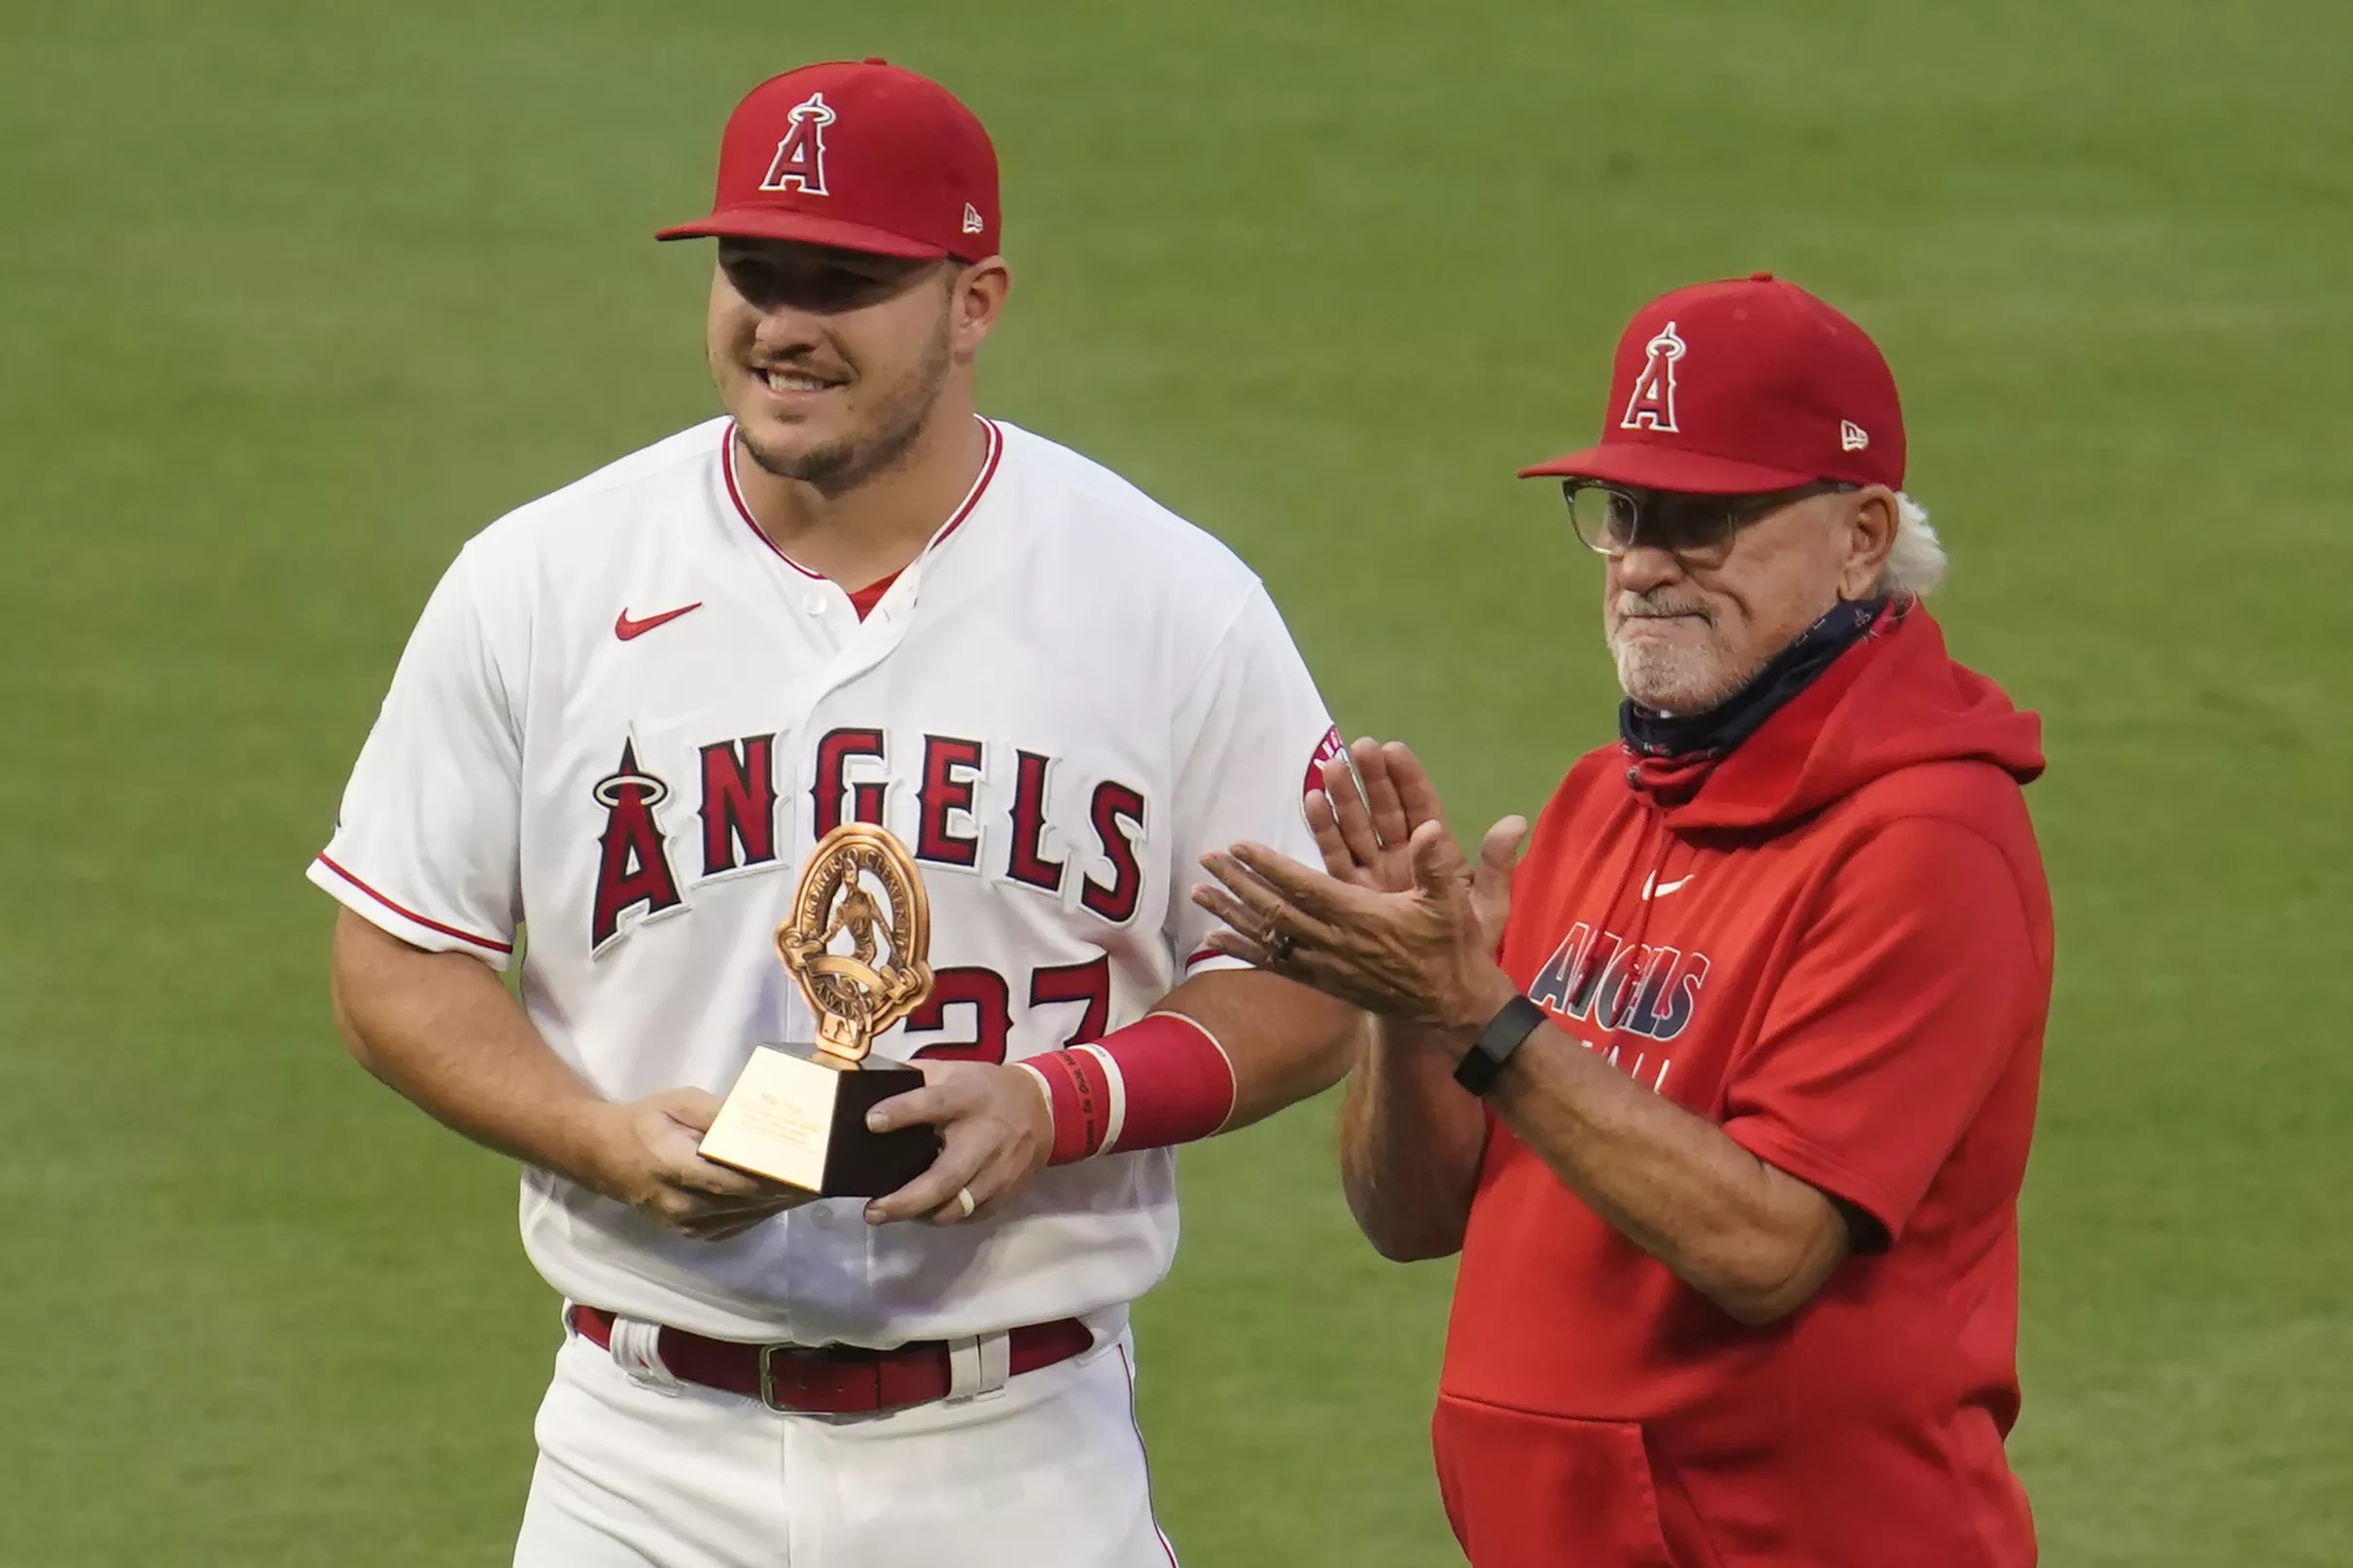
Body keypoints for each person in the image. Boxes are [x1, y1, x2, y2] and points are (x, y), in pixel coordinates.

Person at [310, 57, 1353, 1568]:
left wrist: (1064, 1102)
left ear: (975, 300)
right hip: (637, 1457)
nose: (782, 324)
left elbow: (1309, 982)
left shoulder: (1168, 601)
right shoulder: (541, 581)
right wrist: (598, 1136)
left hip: (1015, 1457)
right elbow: (392, 960)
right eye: (754, 268)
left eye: (845, 280)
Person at [1195, 274, 2051, 1567]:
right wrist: (1407, 1011)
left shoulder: (1925, 841)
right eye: (1628, 513)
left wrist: (1479, 1012)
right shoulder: (1606, 802)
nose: (1647, 562)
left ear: (1861, 538)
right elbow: (1413, 1215)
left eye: (1707, 519)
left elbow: (1767, 1245)